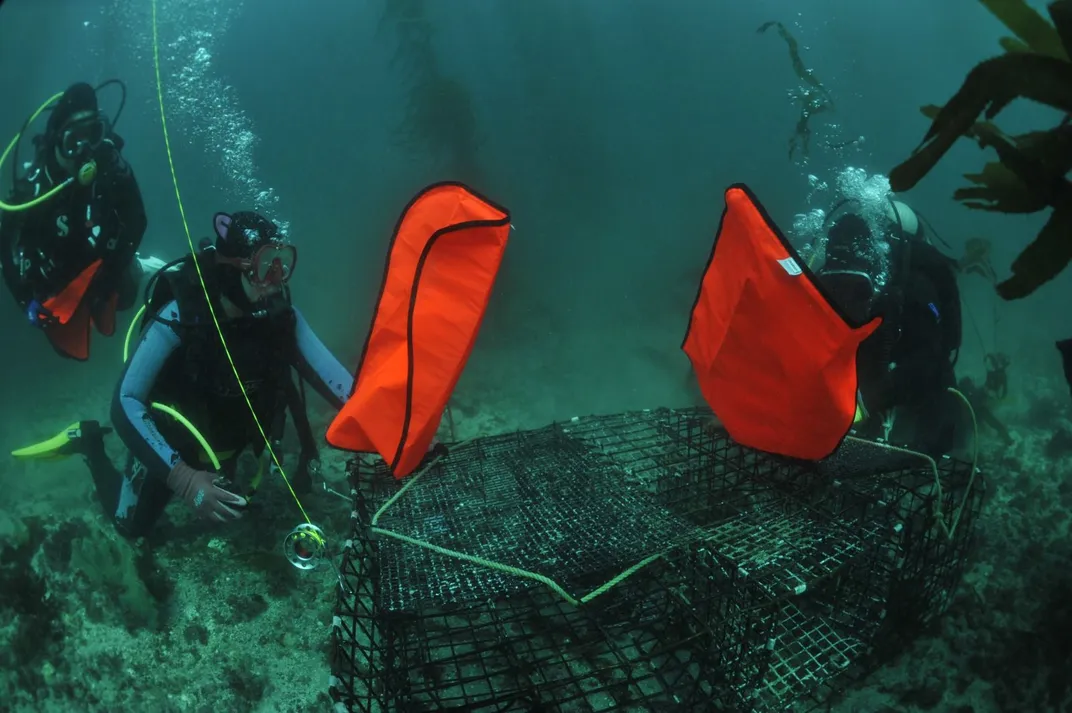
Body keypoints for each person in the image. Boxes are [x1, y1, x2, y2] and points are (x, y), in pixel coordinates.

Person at [13, 211, 355, 538]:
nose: (275, 281)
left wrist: (382, 422)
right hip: (171, 445)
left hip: (226, 444)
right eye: (265, 266)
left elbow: (342, 387)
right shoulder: (182, 316)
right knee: (130, 528)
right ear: (231, 269)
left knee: (226, 519)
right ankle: (89, 443)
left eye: (282, 264)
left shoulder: (282, 318)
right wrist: (185, 480)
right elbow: (125, 401)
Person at [0, 81, 154, 361]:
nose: (85, 152)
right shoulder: (33, 189)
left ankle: (139, 264)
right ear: (57, 139)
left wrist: (109, 278)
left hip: (102, 260)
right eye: (74, 140)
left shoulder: (109, 165)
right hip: (56, 272)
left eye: (92, 135)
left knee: (127, 296)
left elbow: (137, 219)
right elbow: (2, 243)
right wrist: (24, 299)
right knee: (62, 347)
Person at [816, 199, 967, 456]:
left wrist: (871, 399)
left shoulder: (914, 287)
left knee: (942, 429)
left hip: (901, 383)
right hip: (870, 379)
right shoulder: (858, 281)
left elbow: (930, 358)